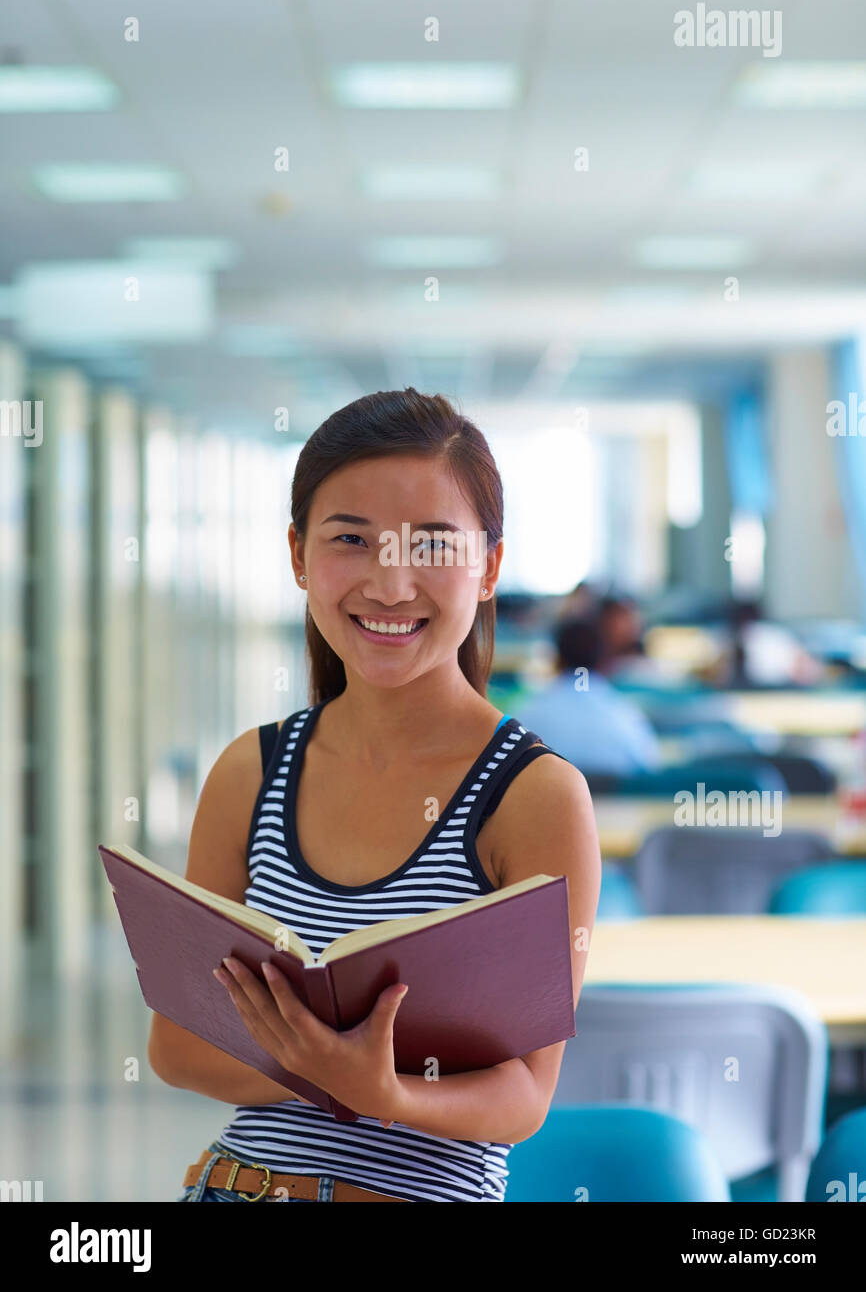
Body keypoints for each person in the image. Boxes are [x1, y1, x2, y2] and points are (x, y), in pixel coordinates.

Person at [149, 386, 600, 1203]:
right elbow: (178, 1049)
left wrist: (382, 1092)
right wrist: (330, 1067)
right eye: (351, 539)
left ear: (489, 567)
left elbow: (524, 1097)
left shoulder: (535, 797)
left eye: (432, 546)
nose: (391, 585)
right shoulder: (250, 772)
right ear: (298, 556)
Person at [515, 616, 663, 777]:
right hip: (616, 800)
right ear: (603, 660)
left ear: (557, 659)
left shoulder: (528, 715)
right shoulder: (624, 716)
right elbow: (650, 767)